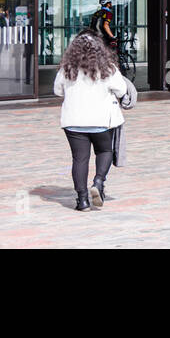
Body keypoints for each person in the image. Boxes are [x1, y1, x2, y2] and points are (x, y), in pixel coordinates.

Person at [54, 31, 128, 211]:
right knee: (105, 151)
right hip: (101, 121)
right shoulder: (108, 68)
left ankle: (82, 201)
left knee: (79, 159)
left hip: (73, 122)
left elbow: (57, 91)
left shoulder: (67, 69)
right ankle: (98, 181)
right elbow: (121, 90)